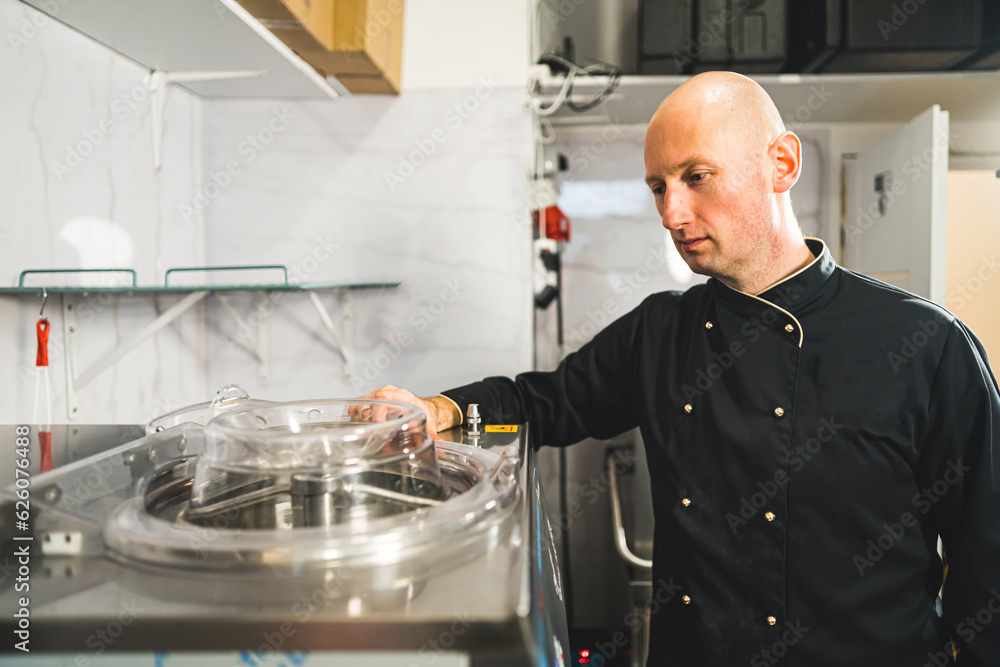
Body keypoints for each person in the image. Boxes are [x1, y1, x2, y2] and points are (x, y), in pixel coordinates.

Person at [364, 71, 1000, 666]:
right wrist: (440, 409)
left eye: (697, 177)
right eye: (658, 188)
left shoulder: (924, 342)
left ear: (781, 164)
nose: (671, 214)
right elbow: (547, 401)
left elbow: (987, 555)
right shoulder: (660, 331)